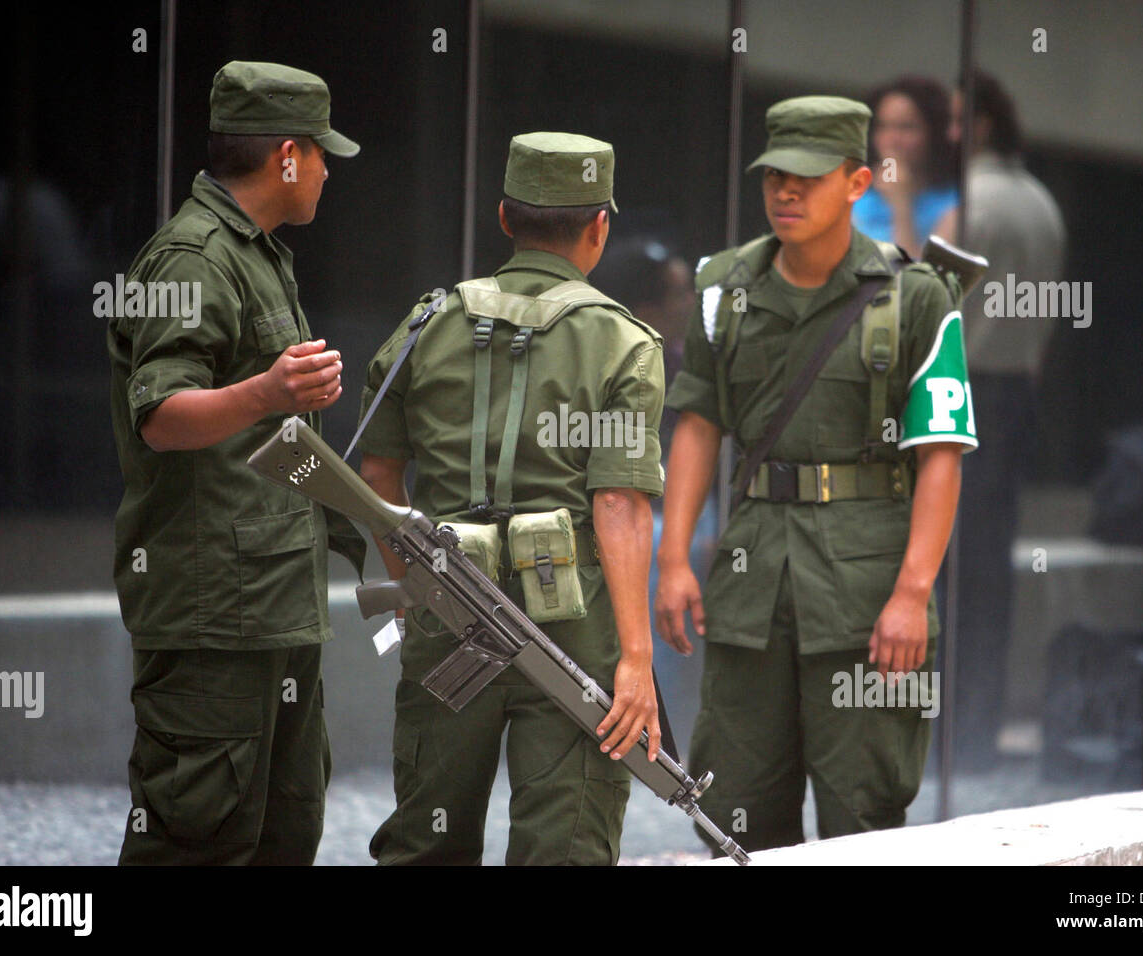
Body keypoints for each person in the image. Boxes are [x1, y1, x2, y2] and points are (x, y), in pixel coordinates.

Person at [656, 96, 977, 853]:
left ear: (859, 181)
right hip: (753, 572)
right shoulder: (721, 287)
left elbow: (941, 454)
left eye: (806, 177)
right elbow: (697, 424)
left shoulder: (917, 296)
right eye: (773, 177)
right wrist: (673, 558)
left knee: (860, 811)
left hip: (866, 593)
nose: (785, 192)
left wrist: (911, 593)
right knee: (732, 802)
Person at [358, 132, 665, 865]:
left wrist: (411, 584)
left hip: (449, 603)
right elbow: (620, 504)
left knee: (425, 839)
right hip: (575, 624)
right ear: (600, 226)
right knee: (564, 844)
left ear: (503, 218)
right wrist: (635, 658)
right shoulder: (623, 343)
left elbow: (376, 474)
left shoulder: (426, 324)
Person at [108, 61, 364, 865]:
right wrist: (266, 390)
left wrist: (370, 537)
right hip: (215, 612)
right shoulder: (193, 257)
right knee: (198, 840)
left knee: (284, 831)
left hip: (273, 603)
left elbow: (276, 446)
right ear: (288, 157)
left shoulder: (259, 255)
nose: (327, 170)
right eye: (321, 153)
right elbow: (159, 415)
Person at [949, 71, 1066, 768]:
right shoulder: (1043, 204)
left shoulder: (975, 203)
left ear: (984, 123)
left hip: (964, 394)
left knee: (948, 570)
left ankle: (947, 739)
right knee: (989, 571)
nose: (950, 136)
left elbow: (924, 312)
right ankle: (977, 732)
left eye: (959, 121)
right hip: (1016, 395)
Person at [853, 76, 959, 254]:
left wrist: (901, 206)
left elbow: (916, 279)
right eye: (882, 126)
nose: (892, 140)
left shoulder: (951, 206)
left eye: (906, 128)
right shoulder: (856, 197)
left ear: (933, 134)